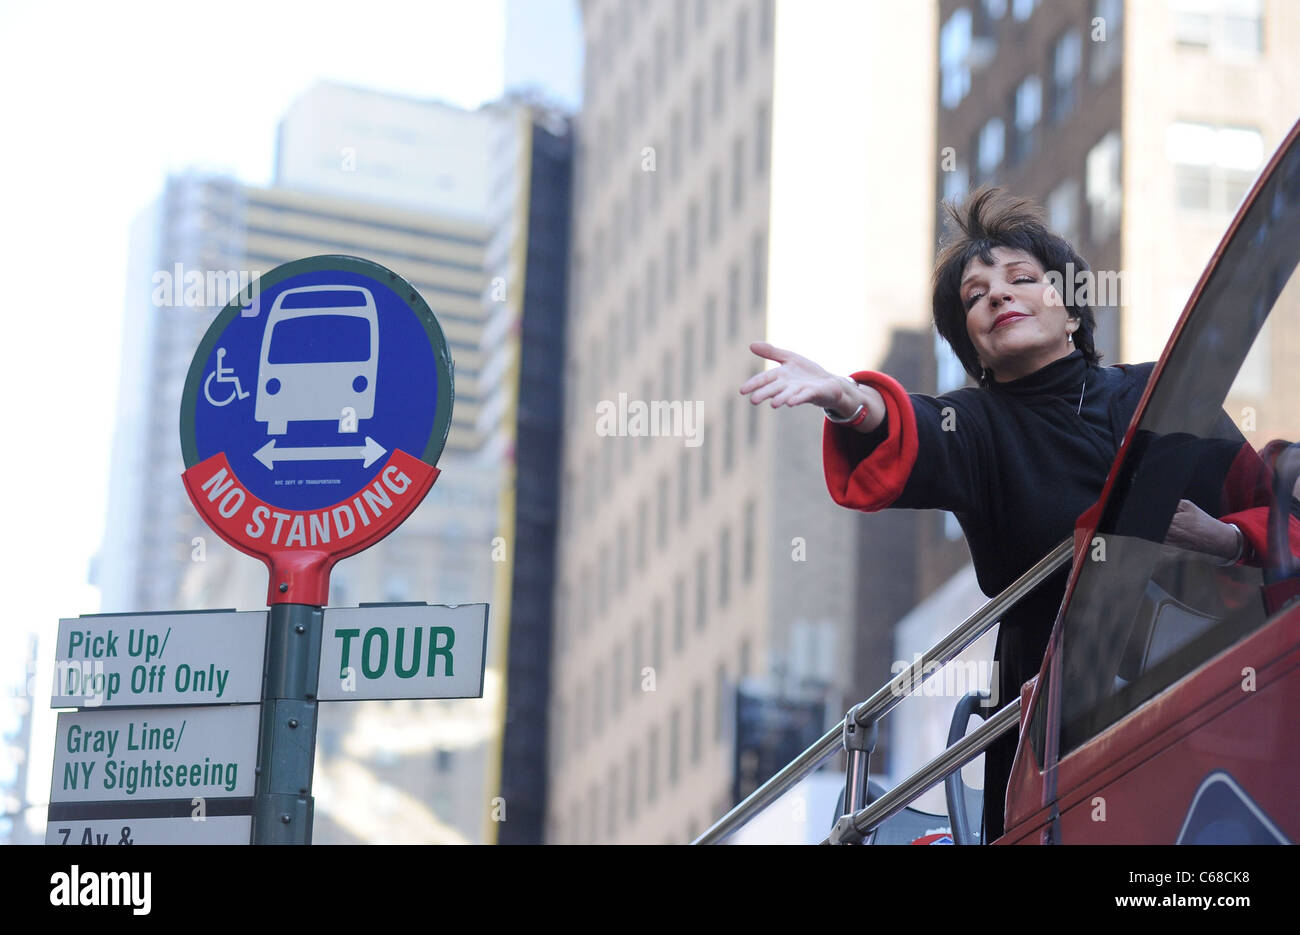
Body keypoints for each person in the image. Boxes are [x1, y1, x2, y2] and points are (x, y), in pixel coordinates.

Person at [737, 187, 1250, 843]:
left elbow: (1267, 513)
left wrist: (1227, 538)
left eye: (1020, 279)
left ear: (1070, 310)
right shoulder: (977, 425)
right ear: (973, 347)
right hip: (1062, 734)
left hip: (1213, 694)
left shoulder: (1160, 392)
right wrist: (847, 398)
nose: (997, 296)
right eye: (976, 297)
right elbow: (908, 429)